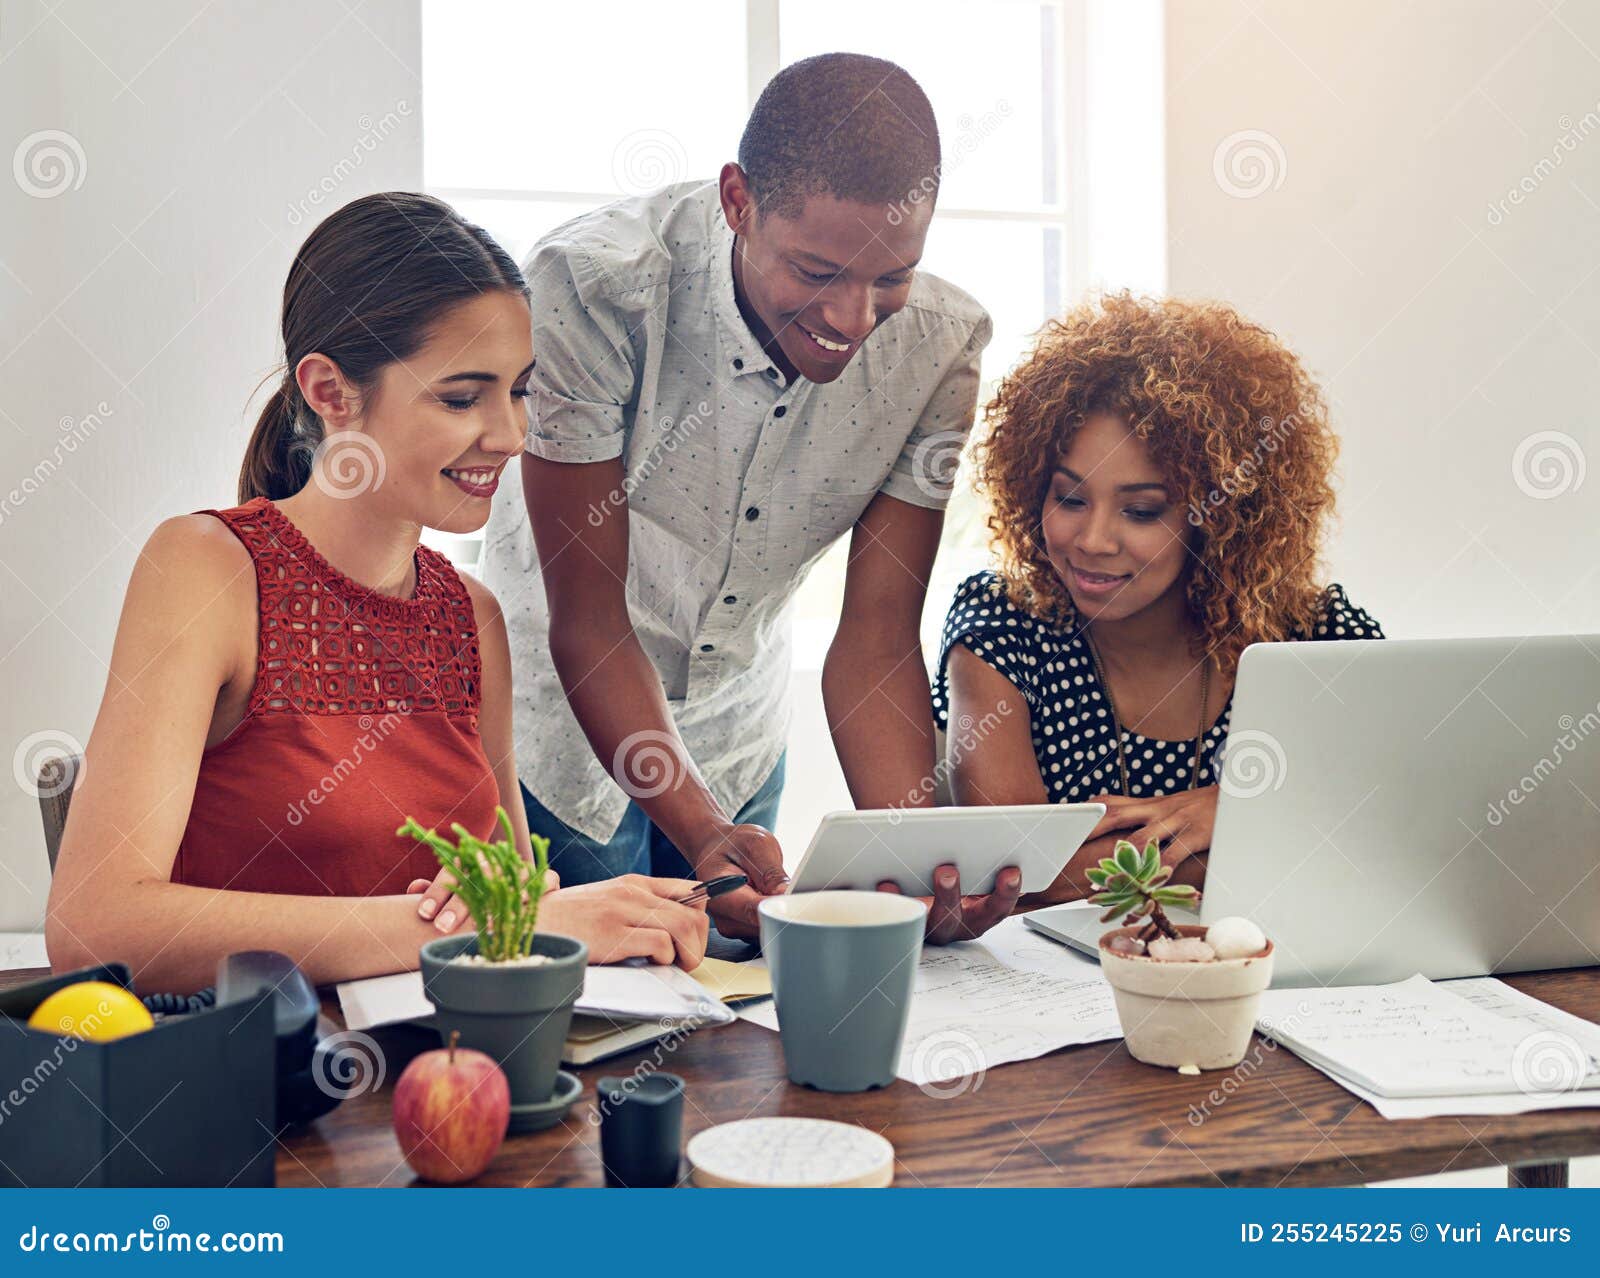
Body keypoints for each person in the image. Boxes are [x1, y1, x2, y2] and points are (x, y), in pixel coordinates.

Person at [46, 193, 708, 994]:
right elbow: (95, 928)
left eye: (521, 390)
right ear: (330, 392)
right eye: (462, 397)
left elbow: (510, 902)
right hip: (262, 1092)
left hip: (446, 1073)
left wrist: (534, 916)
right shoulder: (204, 569)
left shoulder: (473, 616)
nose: (509, 434)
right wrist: (474, 930)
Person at [482, 53, 1019, 943]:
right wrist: (696, 834)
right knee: (595, 1044)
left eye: (891, 276)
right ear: (738, 201)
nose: (854, 318)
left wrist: (926, 868)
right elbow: (589, 615)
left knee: (738, 1047)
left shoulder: (940, 349)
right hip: (553, 744)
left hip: (737, 743)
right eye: (816, 272)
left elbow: (879, 638)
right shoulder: (594, 288)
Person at [933, 293, 1383, 908]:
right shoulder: (1003, 621)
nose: (1092, 541)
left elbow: (1399, 827)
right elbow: (1011, 877)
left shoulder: (1315, 636)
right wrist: (1264, 821)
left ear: (1221, 518)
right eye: (1069, 499)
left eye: (1142, 511)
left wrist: (1237, 818)